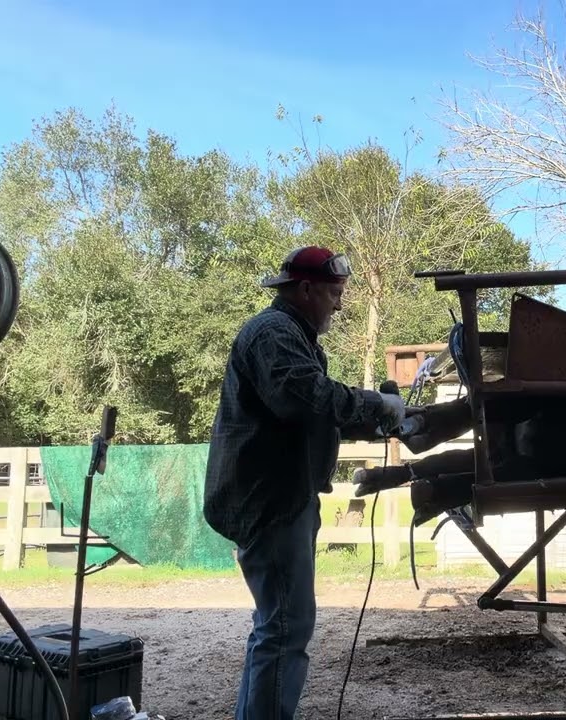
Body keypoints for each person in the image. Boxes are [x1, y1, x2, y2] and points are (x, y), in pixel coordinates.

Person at [203, 245, 406, 720]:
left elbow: (311, 414)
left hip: (281, 495)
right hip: (271, 499)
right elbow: (306, 400)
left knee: (275, 625)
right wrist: (377, 404)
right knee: (286, 626)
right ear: (307, 289)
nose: (339, 303)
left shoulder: (291, 336)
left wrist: (380, 420)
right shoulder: (273, 333)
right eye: (335, 293)